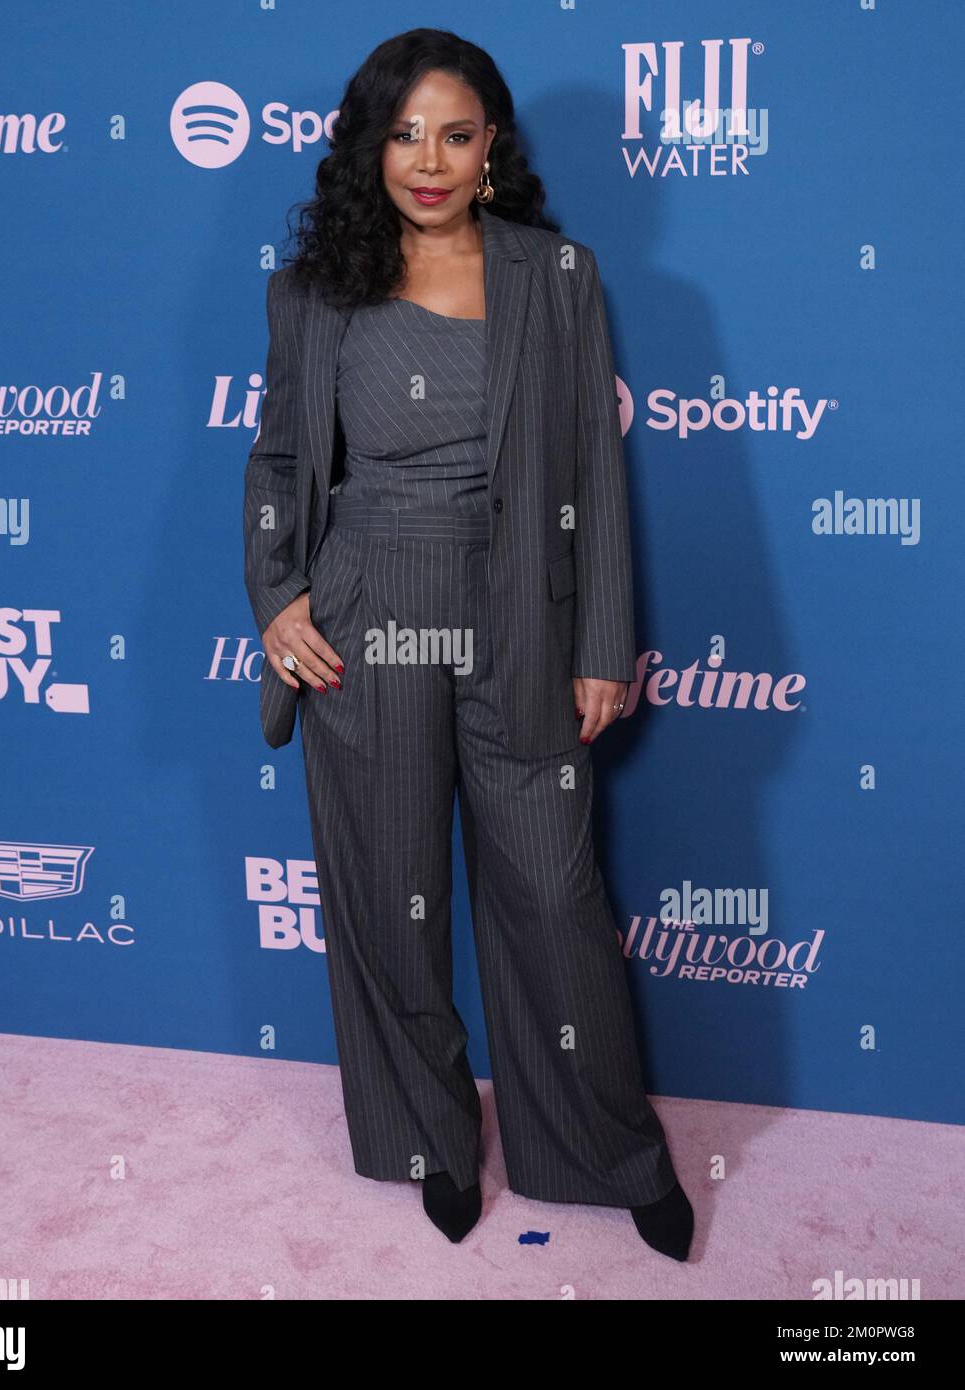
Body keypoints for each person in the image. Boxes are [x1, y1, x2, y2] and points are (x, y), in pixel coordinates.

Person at [243, 28, 693, 1259]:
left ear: (492, 144)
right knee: (391, 901)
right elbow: (280, 459)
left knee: (550, 893)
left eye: (453, 132)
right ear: (365, 144)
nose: (426, 160)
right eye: (402, 133)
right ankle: (428, 1141)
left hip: (520, 613)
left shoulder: (554, 275)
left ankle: (604, 1150)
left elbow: (592, 476)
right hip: (362, 613)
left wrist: (602, 637)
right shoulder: (310, 291)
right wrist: (276, 598)